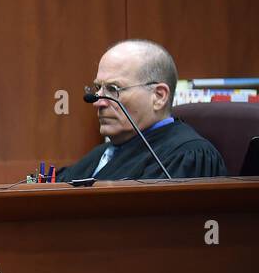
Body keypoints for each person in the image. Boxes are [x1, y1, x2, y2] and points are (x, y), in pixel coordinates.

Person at [56, 40, 226, 182]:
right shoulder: (103, 152)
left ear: (159, 96)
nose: (98, 102)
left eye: (113, 88)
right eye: (98, 87)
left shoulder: (187, 156)